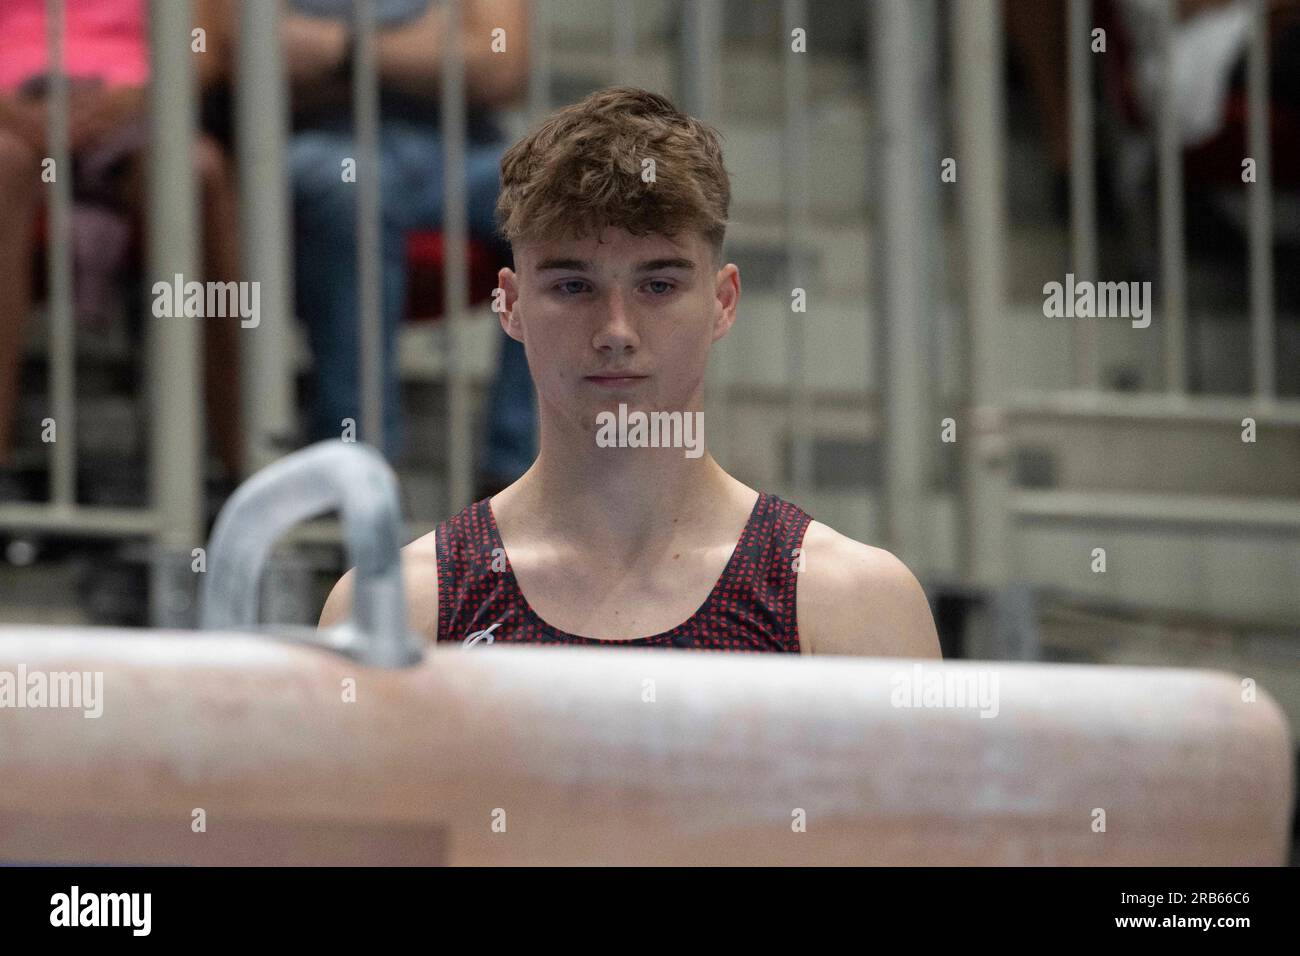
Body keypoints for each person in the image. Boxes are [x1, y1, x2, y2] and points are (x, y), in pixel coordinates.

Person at [321, 87, 941, 656]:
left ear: (723, 302)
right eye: (572, 285)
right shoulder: (403, 608)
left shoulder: (853, 603)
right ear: (509, 305)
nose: (615, 331)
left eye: (659, 285)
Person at [269, 0, 535, 480]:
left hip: (463, 147)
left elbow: (499, 66)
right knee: (351, 190)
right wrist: (433, 46)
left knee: (561, 199)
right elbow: (247, 58)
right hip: (320, 146)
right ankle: (353, 479)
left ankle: (526, 475)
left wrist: (343, 47)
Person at [0, 0, 246, 503]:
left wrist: (129, 103)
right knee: (1, 164)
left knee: (195, 172)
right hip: (10, 116)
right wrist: (17, 113)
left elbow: (203, 51)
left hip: (138, 111)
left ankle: (246, 469)